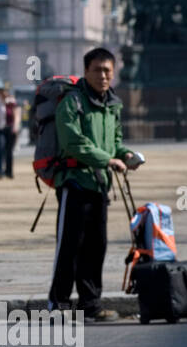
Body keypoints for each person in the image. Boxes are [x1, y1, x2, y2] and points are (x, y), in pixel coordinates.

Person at [47, 47, 139, 323]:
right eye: (98, 70)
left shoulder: (112, 105)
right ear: (86, 71)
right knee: (69, 246)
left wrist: (126, 155)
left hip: (100, 185)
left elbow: (116, 141)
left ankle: (91, 304)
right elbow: (73, 143)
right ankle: (58, 304)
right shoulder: (72, 102)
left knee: (96, 247)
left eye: (108, 70)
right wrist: (109, 160)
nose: (103, 75)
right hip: (74, 183)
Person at [0, 86, 21, 179]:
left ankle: (9, 171)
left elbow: (16, 116)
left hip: (10, 129)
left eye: (4, 92)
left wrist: (15, 126)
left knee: (9, 151)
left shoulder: (11, 102)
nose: (2, 94)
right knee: (0, 149)